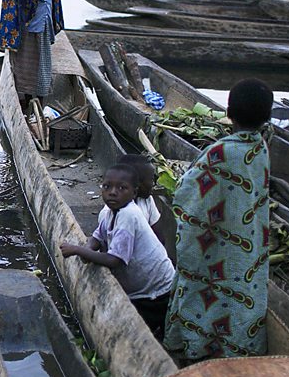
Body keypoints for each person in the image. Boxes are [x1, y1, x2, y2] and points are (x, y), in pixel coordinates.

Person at [163, 78, 273, 362]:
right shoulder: (260, 146)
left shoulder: (222, 152)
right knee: (238, 287)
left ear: (229, 112)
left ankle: (196, 347)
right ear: (267, 117)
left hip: (217, 239)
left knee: (206, 286)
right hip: (245, 237)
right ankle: (237, 345)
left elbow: (187, 193)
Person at [60, 164, 175, 338]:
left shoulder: (128, 215)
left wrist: (78, 250)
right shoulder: (110, 212)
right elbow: (97, 237)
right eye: (107, 187)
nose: (113, 192)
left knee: (140, 335)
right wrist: (88, 249)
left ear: (134, 193)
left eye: (122, 188)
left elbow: (114, 260)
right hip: (142, 290)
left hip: (155, 293)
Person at [0, 0, 64, 111]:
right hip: (27, 25)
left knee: (43, 67)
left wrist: (57, 20)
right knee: (25, 67)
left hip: (45, 24)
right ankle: (26, 104)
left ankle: (39, 108)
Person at [117, 153, 165, 243]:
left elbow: (159, 238)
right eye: (151, 179)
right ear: (137, 183)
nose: (154, 183)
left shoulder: (147, 200)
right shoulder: (112, 211)